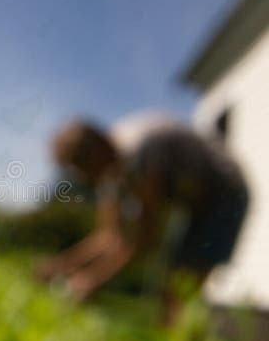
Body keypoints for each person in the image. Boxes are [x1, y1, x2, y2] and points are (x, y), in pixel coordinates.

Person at [36, 113, 249, 318]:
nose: (84, 177)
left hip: (225, 192)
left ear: (98, 148)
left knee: (181, 287)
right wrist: (61, 265)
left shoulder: (143, 150)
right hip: (194, 199)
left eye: (82, 166)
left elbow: (145, 238)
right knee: (172, 286)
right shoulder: (109, 171)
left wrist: (92, 279)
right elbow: (108, 235)